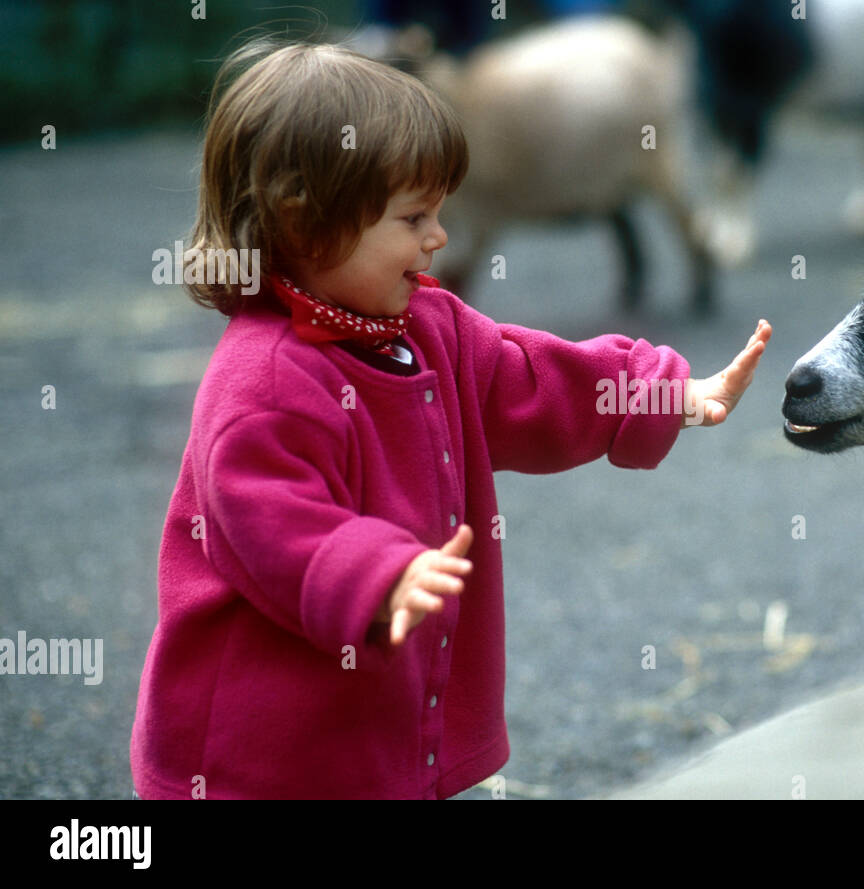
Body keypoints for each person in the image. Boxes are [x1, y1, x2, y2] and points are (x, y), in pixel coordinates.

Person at [129, 39, 772, 799]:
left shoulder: (425, 326)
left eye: (438, 211)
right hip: (258, 762)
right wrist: (377, 572)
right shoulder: (263, 384)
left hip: (370, 728)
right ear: (304, 222)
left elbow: (531, 377)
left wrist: (663, 394)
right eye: (414, 216)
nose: (438, 236)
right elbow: (274, 522)